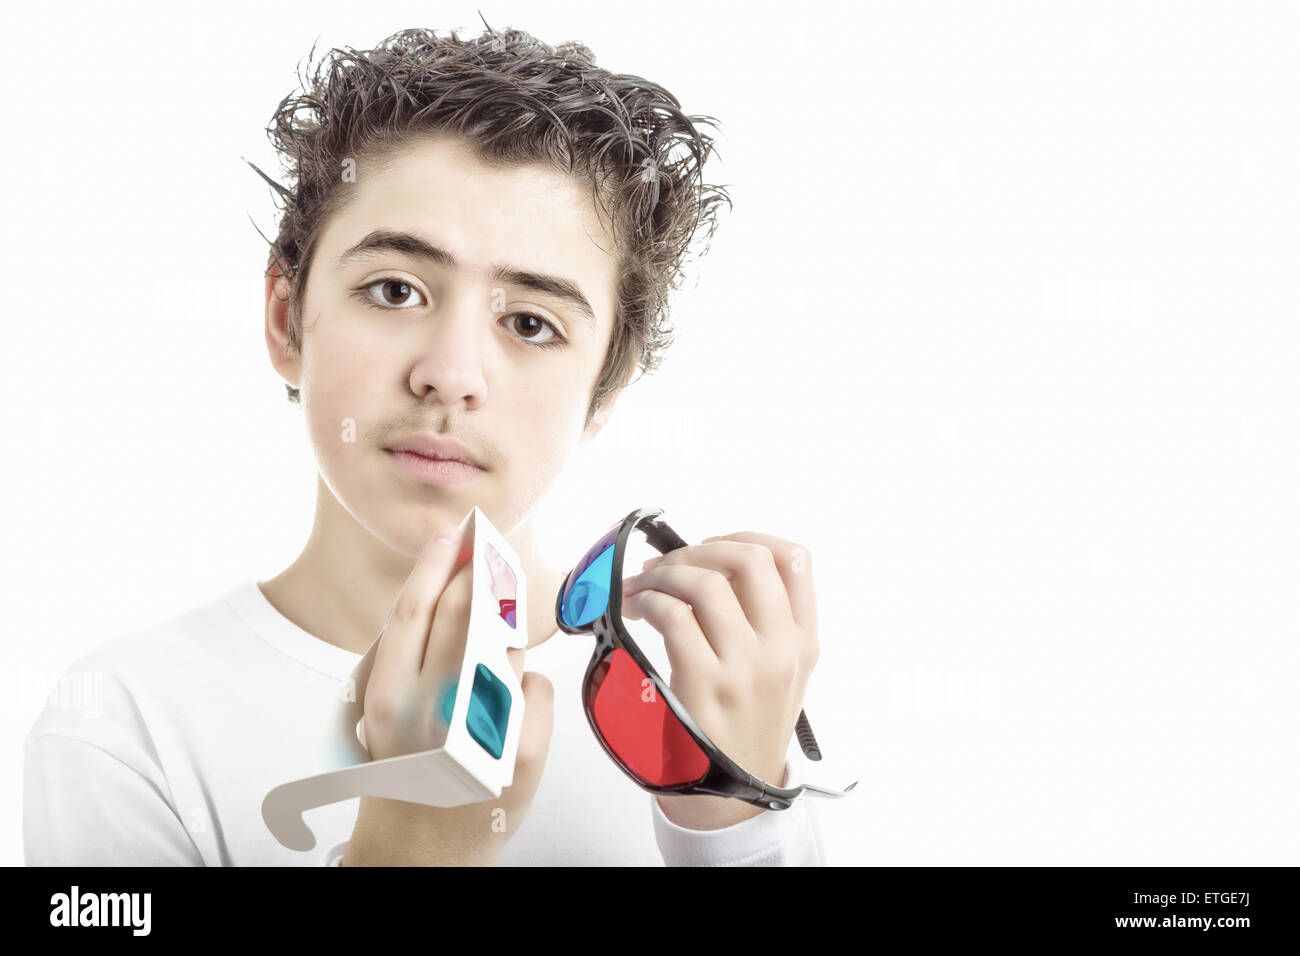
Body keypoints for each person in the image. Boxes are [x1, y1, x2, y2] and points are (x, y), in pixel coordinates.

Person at [23, 22, 828, 866]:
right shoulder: (124, 722)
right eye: (396, 289)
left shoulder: (709, 698)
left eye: (530, 322)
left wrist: (740, 817)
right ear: (286, 317)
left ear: (605, 391)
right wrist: (412, 843)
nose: (450, 375)